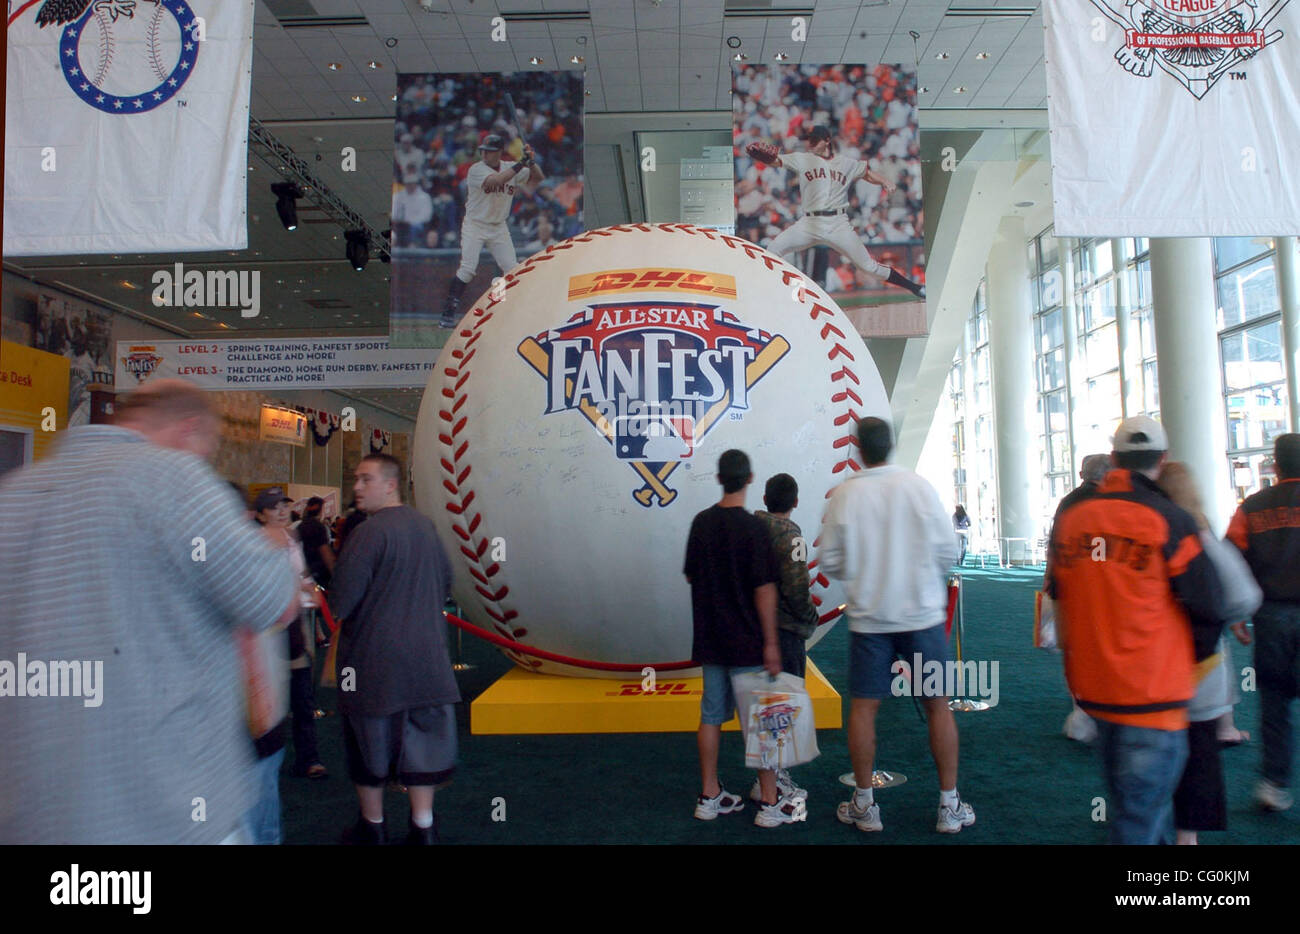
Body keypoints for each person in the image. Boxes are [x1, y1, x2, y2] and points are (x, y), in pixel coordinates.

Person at [0, 379, 298, 843]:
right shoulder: (174, 477)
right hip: (169, 811)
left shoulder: (16, 493)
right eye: (206, 448)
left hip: (36, 816)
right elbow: (271, 602)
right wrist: (276, 548)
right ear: (189, 430)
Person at [1048, 416, 1223, 845]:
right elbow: (1211, 605)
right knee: (1138, 820)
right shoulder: (1168, 519)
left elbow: (1058, 598)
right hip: (1154, 697)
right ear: (1162, 461)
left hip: (1097, 694)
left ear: (1113, 460)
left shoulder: (1072, 520)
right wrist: (1190, 663)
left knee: (1137, 809)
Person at [819, 417, 972, 834]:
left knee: (865, 709)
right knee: (937, 705)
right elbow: (946, 549)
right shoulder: (919, 487)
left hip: (870, 618)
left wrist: (866, 572)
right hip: (921, 615)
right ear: (891, 445)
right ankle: (949, 805)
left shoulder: (845, 495)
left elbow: (830, 562)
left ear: (857, 449)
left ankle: (865, 804)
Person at [329, 454, 460, 845]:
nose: (356, 487)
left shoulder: (368, 533)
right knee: (423, 748)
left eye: (365, 479)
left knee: (368, 748)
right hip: (428, 661)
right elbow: (446, 583)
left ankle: (373, 827)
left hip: (374, 665)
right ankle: (423, 827)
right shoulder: (426, 527)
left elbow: (341, 600)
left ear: (390, 484)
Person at [684, 450, 806, 828]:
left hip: (712, 639)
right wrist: (771, 643)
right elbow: (765, 590)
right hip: (748, 642)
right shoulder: (754, 530)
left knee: (710, 718)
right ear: (750, 479)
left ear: (720, 478)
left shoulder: (701, 523)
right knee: (763, 723)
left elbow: (692, 576)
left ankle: (708, 795)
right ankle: (769, 802)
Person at [1158, 461, 1261, 845]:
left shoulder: (1145, 538)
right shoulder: (1203, 539)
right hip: (1199, 674)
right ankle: (1188, 837)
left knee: (1143, 754)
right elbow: (1245, 596)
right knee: (1198, 756)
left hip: (1149, 673)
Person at [754, 126, 925, 298]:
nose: (811, 143)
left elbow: (867, 174)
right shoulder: (803, 159)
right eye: (810, 140)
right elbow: (776, 160)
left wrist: (885, 181)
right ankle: (771, 294)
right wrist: (764, 159)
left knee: (868, 267)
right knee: (773, 249)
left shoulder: (847, 163)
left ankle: (915, 287)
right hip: (809, 223)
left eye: (815, 140)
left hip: (838, 223)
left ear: (827, 141)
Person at [1226, 432, 1300, 812]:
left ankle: (1274, 783)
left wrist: (1238, 613)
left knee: (1274, 703)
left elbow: (1231, 559)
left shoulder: (1252, 508)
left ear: (1275, 464)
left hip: (1270, 616)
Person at [753, 473, 821, 804]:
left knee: (766, 704)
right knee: (782, 706)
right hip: (784, 632)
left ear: (765, 499)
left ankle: (765, 779)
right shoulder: (791, 536)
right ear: (795, 502)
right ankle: (774, 783)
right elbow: (797, 587)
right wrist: (810, 617)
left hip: (754, 630)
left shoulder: (749, 530)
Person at [253, 488, 328, 782]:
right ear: (261, 515)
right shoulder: (256, 542)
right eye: (274, 508)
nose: (282, 511)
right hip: (267, 631)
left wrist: (307, 586)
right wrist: (296, 588)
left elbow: (300, 574)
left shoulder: (291, 538)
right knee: (269, 700)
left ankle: (309, 758)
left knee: (302, 695)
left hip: (293, 625)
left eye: (284, 505)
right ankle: (266, 756)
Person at [440, 134, 545, 328]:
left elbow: (538, 178)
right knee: (468, 269)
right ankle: (448, 313)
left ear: (499, 152)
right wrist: (521, 163)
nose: (485, 154)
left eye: (489, 151)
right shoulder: (476, 169)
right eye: (484, 150)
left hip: (498, 226)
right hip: (475, 225)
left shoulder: (510, 166)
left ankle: (503, 308)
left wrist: (531, 162)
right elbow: (495, 182)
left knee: (512, 270)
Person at [1049, 453, 1110, 744]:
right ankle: (1091, 715)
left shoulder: (1067, 502)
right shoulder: (1104, 503)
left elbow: (1055, 544)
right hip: (1094, 587)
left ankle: (1081, 713)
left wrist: (1051, 580)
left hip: (1069, 584)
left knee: (1075, 650)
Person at [298, 496, 335, 589]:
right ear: (321, 509)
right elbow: (325, 551)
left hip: (305, 571)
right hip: (319, 572)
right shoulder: (318, 527)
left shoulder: (301, 526)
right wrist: (334, 572)